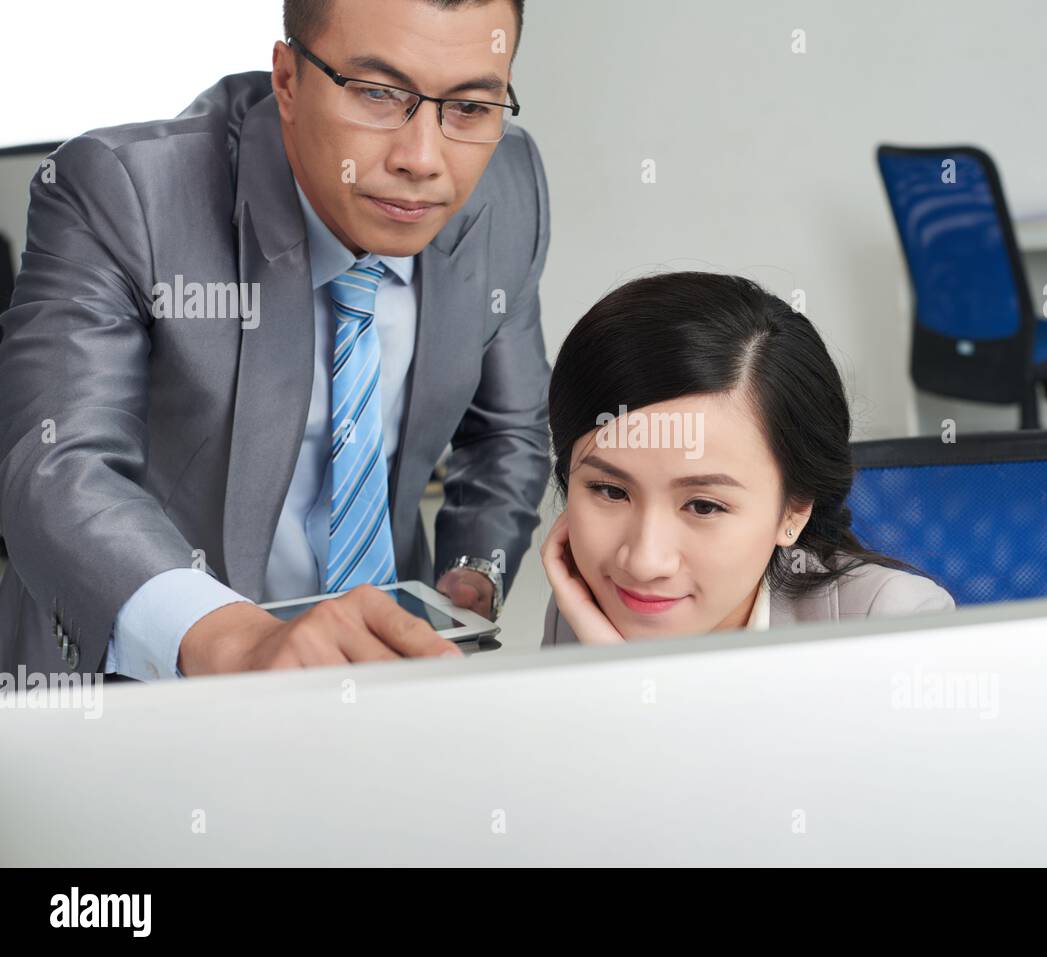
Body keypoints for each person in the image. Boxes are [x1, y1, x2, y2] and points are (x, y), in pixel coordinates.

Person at [0, 0, 549, 678]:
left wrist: (470, 578)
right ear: (287, 80)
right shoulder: (124, 189)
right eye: (378, 94)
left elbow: (507, 433)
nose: (423, 160)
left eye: (469, 107)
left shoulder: (509, 183)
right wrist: (234, 641)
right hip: (142, 687)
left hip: (381, 665)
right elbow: (56, 466)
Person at [540, 272, 955, 646]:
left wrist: (623, 680)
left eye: (704, 505)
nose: (645, 563)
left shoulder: (892, 623)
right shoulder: (584, 604)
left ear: (793, 511)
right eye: (610, 491)